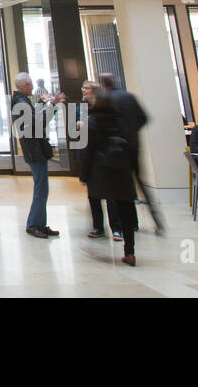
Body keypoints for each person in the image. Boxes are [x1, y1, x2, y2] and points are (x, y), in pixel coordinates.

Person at [79, 90, 139, 266]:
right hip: (122, 171)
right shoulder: (121, 121)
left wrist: (84, 174)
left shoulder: (92, 122)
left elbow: (87, 151)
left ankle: (99, 228)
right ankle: (129, 251)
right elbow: (132, 145)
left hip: (102, 172)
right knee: (125, 211)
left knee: (95, 201)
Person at [98, 73, 162, 234]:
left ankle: (120, 226)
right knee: (138, 184)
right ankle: (154, 221)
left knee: (115, 188)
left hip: (116, 150)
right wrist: (131, 132)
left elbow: (102, 125)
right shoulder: (129, 97)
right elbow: (144, 117)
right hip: (133, 146)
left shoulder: (106, 99)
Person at [11, 72, 65, 239]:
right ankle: (34, 224)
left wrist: (44, 103)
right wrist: (53, 105)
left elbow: (34, 117)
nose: (33, 87)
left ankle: (39, 223)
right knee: (41, 189)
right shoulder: (21, 102)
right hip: (34, 148)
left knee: (42, 188)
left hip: (34, 147)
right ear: (24, 86)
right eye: (30, 85)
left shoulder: (22, 101)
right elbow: (38, 122)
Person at [80, 83, 121, 241]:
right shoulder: (84, 110)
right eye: (83, 89)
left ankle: (116, 228)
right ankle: (99, 226)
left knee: (111, 196)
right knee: (94, 196)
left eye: (87, 89)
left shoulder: (109, 115)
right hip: (96, 160)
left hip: (106, 159)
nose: (84, 92)